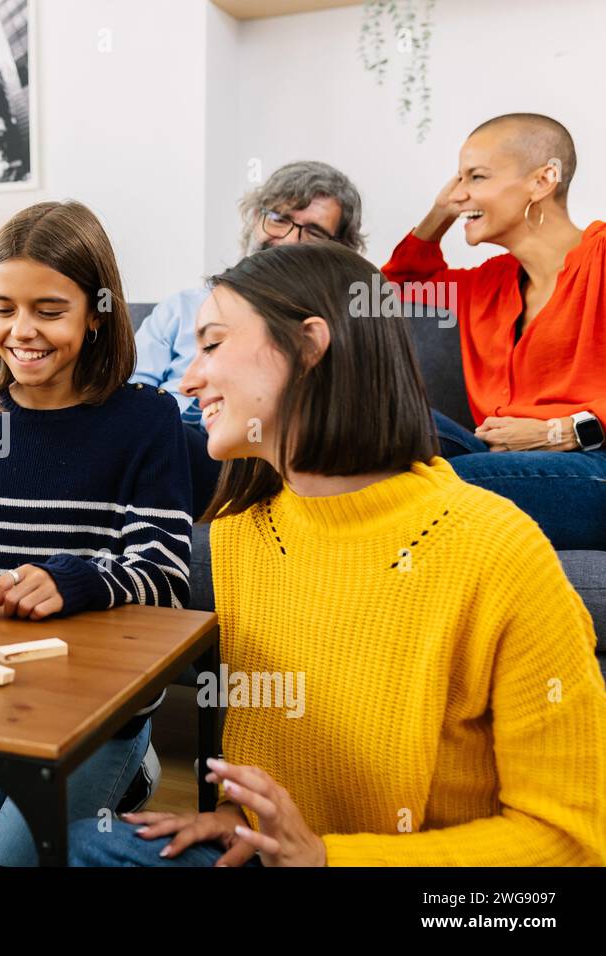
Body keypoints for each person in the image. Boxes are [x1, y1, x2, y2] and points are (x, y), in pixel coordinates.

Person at [68, 241, 605, 867]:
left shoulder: (497, 549)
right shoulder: (244, 534)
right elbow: (273, 754)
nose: (188, 378)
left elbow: (570, 841)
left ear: (309, 345)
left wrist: (328, 858)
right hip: (283, 859)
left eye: (212, 345)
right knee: (89, 847)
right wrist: (235, 820)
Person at [0, 201, 195, 866]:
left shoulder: (147, 419)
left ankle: (133, 770)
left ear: (97, 314)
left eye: (49, 311)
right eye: (3, 308)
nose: (21, 330)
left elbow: (166, 574)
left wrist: (76, 577)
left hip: (100, 711)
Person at [383, 113, 606, 550]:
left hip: (593, 462)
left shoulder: (601, 258)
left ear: (543, 180)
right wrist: (440, 214)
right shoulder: (486, 284)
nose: (460, 192)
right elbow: (385, 293)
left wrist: (563, 431)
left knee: (422, 488)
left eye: (477, 176)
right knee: (375, 417)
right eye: (458, 179)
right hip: (496, 458)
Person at [132, 160, 367, 517]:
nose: (289, 239)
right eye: (278, 218)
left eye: (314, 232)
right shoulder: (184, 306)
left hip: (241, 451)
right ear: (255, 218)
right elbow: (131, 389)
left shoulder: (335, 327)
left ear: (341, 250)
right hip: (162, 434)